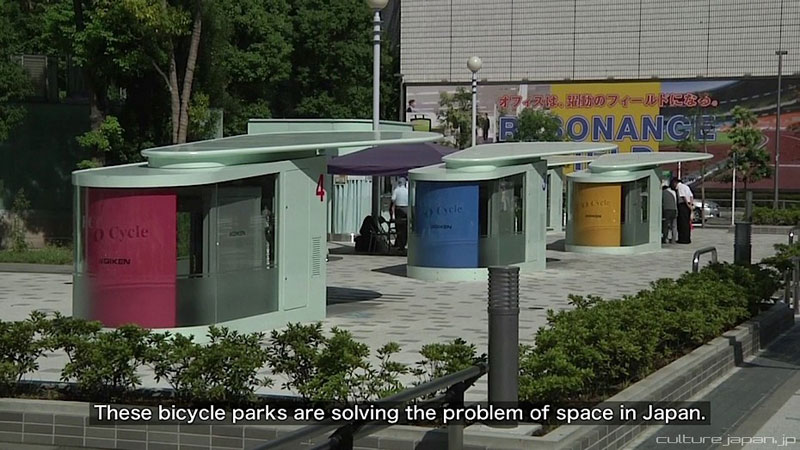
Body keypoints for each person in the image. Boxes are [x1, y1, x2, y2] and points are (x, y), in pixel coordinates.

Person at [671, 178, 694, 244]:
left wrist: (687, 205)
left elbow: (683, 197)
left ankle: (683, 239)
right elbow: (691, 196)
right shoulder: (686, 186)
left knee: (682, 223)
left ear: (675, 182)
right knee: (687, 223)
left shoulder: (680, 187)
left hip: (683, 205)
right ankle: (687, 238)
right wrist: (691, 205)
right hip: (688, 204)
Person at [391, 177, 409, 250]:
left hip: (398, 209)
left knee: (398, 227)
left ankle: (399, 243)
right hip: (406, 209)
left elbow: (393, 199)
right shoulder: (407, 191)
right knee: (405, 228)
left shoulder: (396, 190)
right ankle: (403, 243)